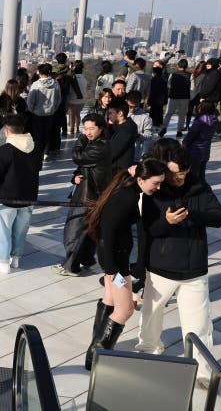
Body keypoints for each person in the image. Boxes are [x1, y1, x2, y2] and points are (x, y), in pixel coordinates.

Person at [136, 147, 221, 385]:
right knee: (151, 317)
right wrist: (166, 221)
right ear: (165, 168)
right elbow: (149, 230)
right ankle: (148, 355)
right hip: (160, 267)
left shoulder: (199, 186)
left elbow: (219, 216)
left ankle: (204, 371)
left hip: (194, 268)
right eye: (175, 174)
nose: (180, 179)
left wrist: (192, 214)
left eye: (184, 173)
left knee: (199, 324)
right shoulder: (154, 190)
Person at [83, 158, 167, 370]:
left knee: (110, 302)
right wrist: (111, 270)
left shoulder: (129, 189)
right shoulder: (126, 198)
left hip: (115, 260)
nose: (158, 187)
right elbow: (107, 234)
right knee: (126, 309)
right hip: (116, 264)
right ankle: (97, 355)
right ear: (140, 179)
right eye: (155, 183)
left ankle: (96, 350)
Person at [52, 113, 112, 277]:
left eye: (92, 128)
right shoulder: (95, 143)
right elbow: (84, 167)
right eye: (85, 128)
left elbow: (78, 157)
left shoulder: (100, 146)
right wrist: (75, 177)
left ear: (101, 128)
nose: (87, 132)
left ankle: (71, 266)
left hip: (89, 195)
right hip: (89, 190)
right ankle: (87, 259)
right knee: (87, 229)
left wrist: (79, 142)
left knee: (75, 229)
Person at [0, 114, 39, 273]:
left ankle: (3, 261)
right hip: (29, 197)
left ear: (7, 131)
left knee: (3, 229)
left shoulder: (4, 150)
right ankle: (16, 258)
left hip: (6, 197)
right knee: (21, 230)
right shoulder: (35, 148)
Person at [26, 63, 61, 169]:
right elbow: (58, 99)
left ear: (39, 72)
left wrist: (32, 110)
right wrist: (53, 108)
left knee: (37, 134)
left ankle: (37, 153)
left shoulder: (36, 85)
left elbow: (30, 100)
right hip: (50, 112)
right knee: (47, 132)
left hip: (37, 113)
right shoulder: (55, 83)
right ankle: (46, 152)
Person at [183, 101, 218, 180]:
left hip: (195, 151)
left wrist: (184, 143)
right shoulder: (214, 120)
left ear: (203, 108)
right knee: (202, 174)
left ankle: (195, 189)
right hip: (205, 150)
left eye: (200, 106)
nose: (198, 108)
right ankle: (202, 188)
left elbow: (191, 135)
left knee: (193, 175)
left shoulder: (200, 121)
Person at [160, 59, 191, 138]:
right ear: (186, 66)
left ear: (178, 66)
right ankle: (179, 131)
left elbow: (169, 85)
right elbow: (192, 87)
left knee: (168, 113)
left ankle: (164, 128)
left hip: (173, 96)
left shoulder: (173, 74)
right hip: (184, 97)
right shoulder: (190, 75)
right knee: (182, 115)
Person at [107, 99, 138, 174]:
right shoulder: (119, 126)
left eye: (111, 113)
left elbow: (111, 153)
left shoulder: (126, 130)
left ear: (120, 113)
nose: (109, 116)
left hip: (119, 172)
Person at [126, 91, 153, 161]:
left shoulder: (145, 117)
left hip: (136, 152)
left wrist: (138, 135)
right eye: (130, 106)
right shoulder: (121, 112)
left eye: (135, 107)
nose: (132, 109)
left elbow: (149, 135)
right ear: (126, 101)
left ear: (139, 103)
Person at [67, 60, 87, 135]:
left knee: (72, 114)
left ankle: (71, 128)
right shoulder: (83, 78)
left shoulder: (72, 77)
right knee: (77, 114)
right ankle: (77, 128)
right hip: (82, 99)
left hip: (72, 98)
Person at [186, 61, 207, 130]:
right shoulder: (206, 75)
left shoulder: (193, 74)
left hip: (192, 94)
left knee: (189, 111)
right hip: (200, 95)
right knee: (198, 112)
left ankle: (187, 126)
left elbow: (191, 85)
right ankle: (195, 126)